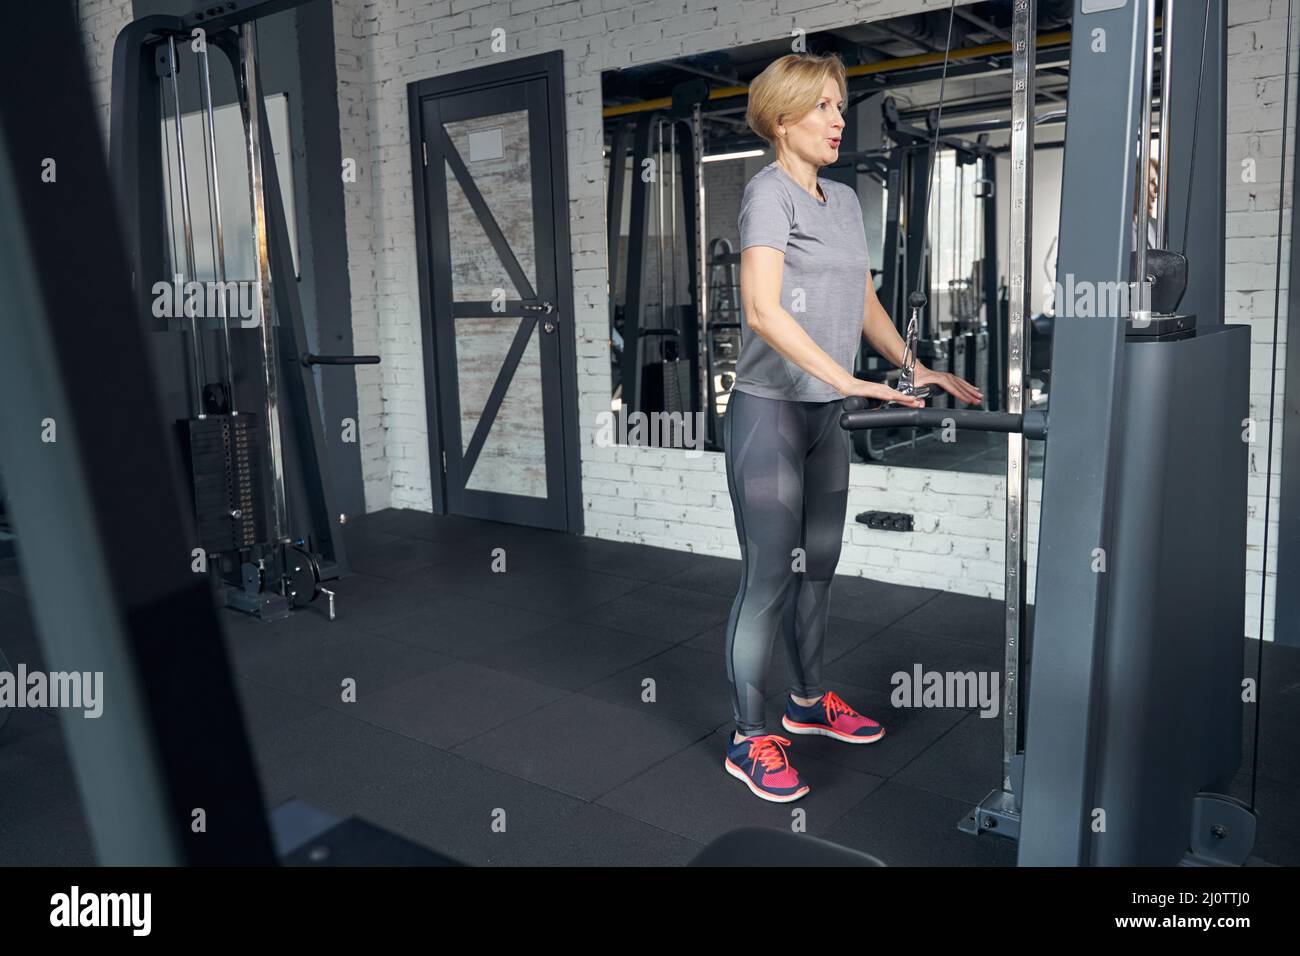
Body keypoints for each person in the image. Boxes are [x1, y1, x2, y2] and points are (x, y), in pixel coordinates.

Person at [722, 52, 982, 802]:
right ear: (783, 118)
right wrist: (842, 377)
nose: (841, 120)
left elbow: (863, 302)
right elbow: (764, 310)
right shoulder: (768, 196)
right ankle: (748, 736)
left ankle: (806, 705)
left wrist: (913, 363)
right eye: (827, 108)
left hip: (825, 419)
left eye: (841, 106)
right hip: (768, 414)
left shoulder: (841, 201)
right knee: (769, 574)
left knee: (820, 564)